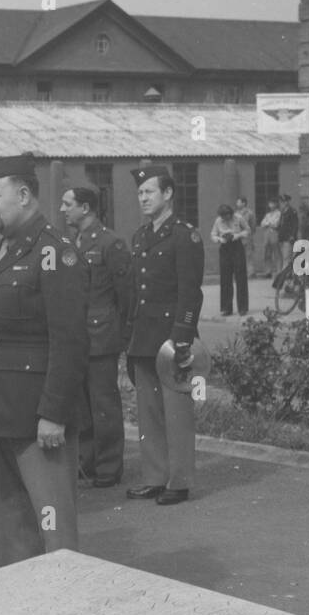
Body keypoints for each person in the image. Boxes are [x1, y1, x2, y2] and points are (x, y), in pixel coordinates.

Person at [0, 156, 88, 566]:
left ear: (24, 194)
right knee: (12, 531)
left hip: (37, 418)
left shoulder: (53, 253)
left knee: (54, 533)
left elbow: (68, 340)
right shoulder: (2, 250)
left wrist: (53, 413)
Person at [124, 166, 204, 507]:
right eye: (140, 193)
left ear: (168, 194)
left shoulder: (185, 236)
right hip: (144, 337)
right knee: (149, 413)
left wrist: (182, 337)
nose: (143, 198)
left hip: (173, 339)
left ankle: (179, 481)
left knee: (176, 415)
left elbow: (191, 293)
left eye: (149, 192)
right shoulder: (140, 236)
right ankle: (155, 477)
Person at [60, 185, 131, 488]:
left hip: (101, 336)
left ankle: (108, 467)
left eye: (68, 204)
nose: (63, 209)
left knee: (104, 404)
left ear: (85, 208)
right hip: (76, 337)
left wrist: (124, 336)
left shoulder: (110, 243)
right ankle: (86, 461)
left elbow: (126, 294)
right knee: (81, 406)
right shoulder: (69, 242)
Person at [210, 204, 249, 316]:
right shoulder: (218, 221)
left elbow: (247, 230)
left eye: (228, 216)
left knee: (240, 277)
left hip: (237, 246)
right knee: (225, 278)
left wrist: (236, 235)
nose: (226, 218)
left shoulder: (238, 218)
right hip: (225, 248)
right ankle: (226, 308)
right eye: (224, 217)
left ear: (231, 214)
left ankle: (243, 308)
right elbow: (213, 235)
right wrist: (219, 239)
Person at [235, 196, 258, 277]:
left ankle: (251, 272)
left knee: (249, 254)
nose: (237, 203)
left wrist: (250, 234)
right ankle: (241, 272)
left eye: (238, 202)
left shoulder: (249, 213)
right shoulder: (236, 214)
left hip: (247, 236)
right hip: (238, 237)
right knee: (239, 255)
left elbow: (253, 225)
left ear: (244, 203)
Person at [258, 197, 281, 277]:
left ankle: (279, 271)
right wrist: (268, 223)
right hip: (267, 234)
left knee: (276, 253)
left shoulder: (278, 213)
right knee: (267, 253)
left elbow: (276, 224)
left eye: (272, 203)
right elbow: (262, 223)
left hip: (274, 233)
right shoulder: (268, 214)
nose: (271, 205)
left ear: (276, 204)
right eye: (270, 203)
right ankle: (268, 271)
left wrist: (268, 223)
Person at [276, 193, 298, 274]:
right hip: (281, 238)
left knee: (286, 258)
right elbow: (281, 225)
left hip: (288, 238)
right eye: (280, 201)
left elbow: (295, 225)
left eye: (283, 201)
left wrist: (292, 236)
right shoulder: (282, 212)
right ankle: (284, 275)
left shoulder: (292, 211)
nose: (281, 203)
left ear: (287, 202)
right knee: (282, 258)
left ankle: (285, 277)